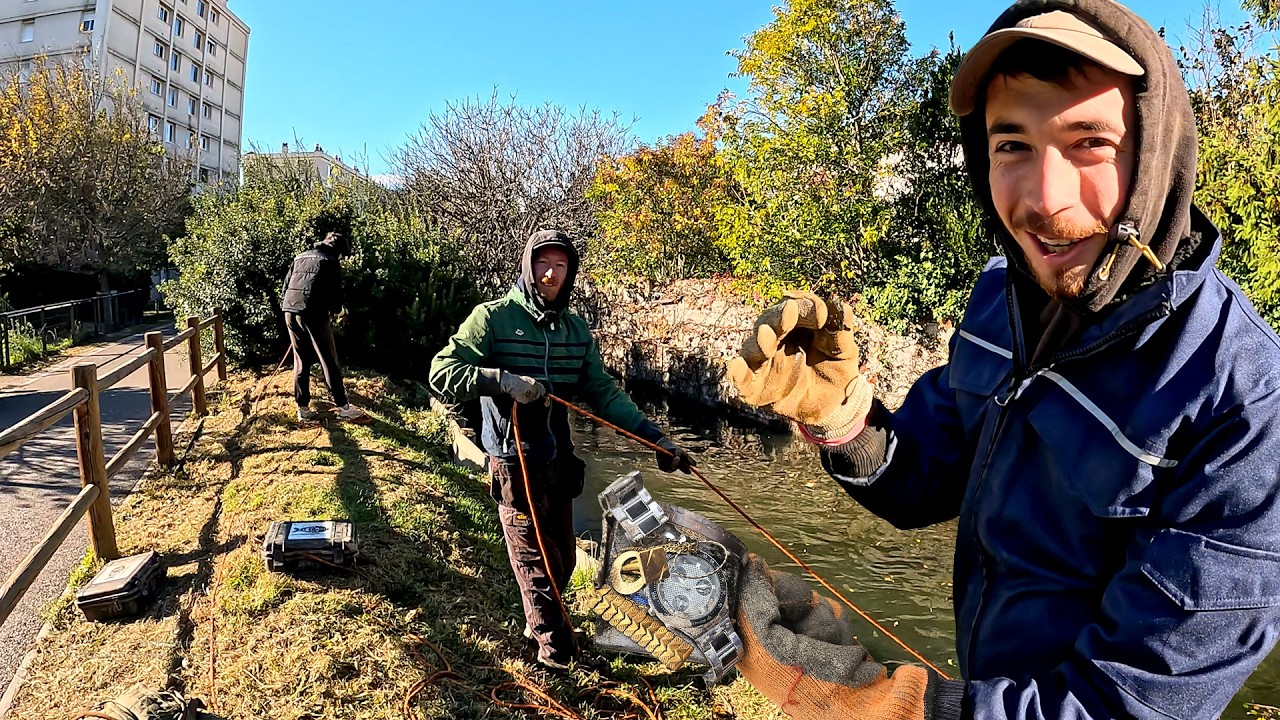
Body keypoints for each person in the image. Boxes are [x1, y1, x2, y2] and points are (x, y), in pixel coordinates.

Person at [726, 1, 1280, 718]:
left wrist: (901, 709)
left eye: (1090, 143)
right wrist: (840, 416)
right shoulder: (1002, 296)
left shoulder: (1244, 399)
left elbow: (1130, 702)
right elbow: (925, 476)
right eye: (1012, 145)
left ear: (1156, 152)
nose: (1044, 202)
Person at [429, 229, 696, 671]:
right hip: (514, 461)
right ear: (527, 266)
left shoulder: (575, 330)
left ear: (570, 273)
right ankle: (557, 656)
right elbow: (442, 370)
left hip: (559, 458)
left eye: (560, 266)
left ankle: (539, 623)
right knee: (536, 562)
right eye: (542, 264)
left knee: (565, 559)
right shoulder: (491, 318)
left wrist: (656, 438)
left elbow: (604, 393)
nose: (550, 274)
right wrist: (501, 381)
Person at [280, 231, 367, 423]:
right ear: (339, 250)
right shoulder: (330, 261)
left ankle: (303, 410)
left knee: (301, 359)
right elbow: (334, 296)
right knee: (328, 359)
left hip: (290, 310)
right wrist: (340, 312)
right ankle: (343, 407)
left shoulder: (300, 257)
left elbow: (285, 287)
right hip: (313, 313)